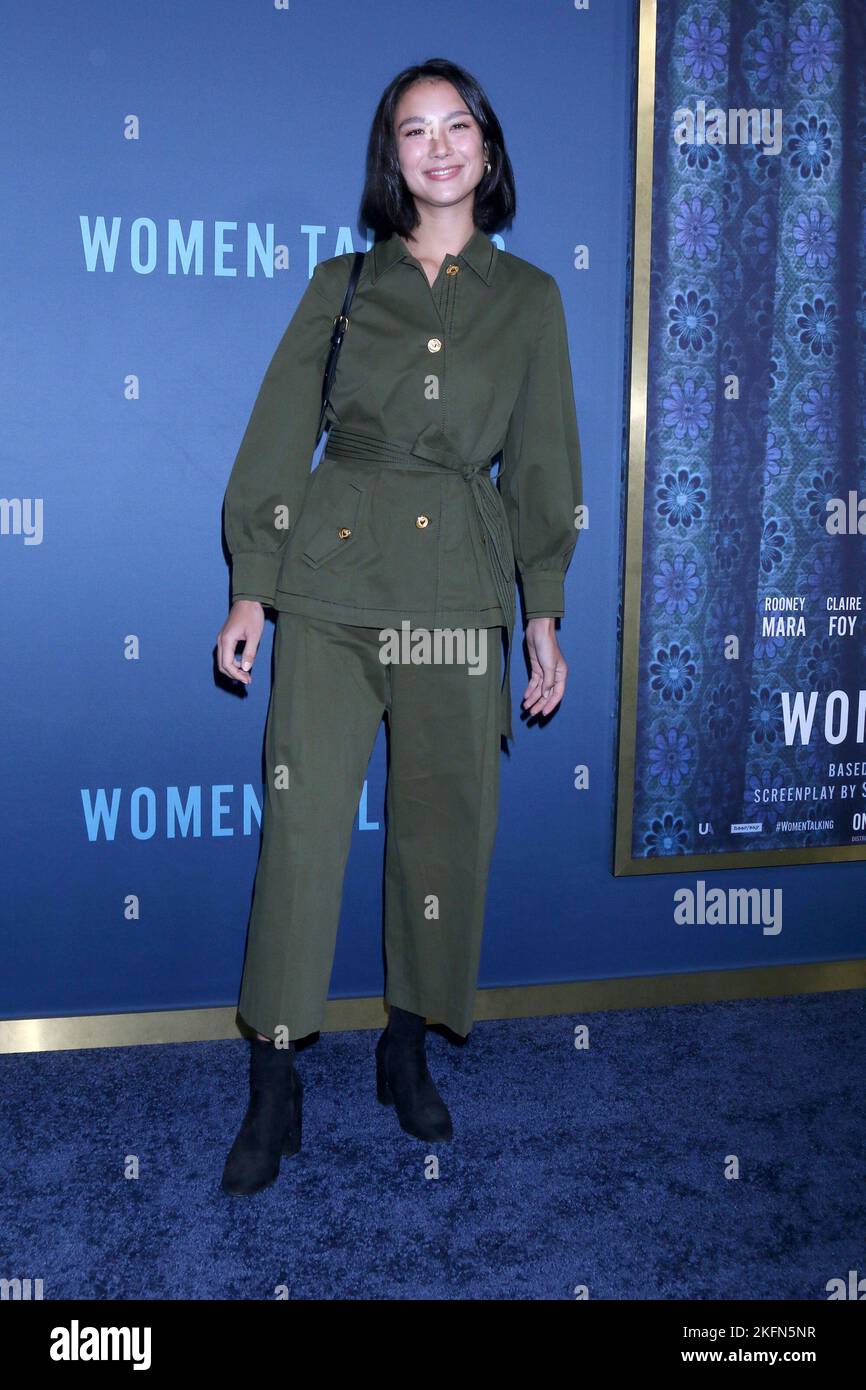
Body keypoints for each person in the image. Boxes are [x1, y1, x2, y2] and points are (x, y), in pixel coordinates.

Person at [215, 57, 583, 1195]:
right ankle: (274, 1075)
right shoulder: (338, 286)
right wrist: (250, 585)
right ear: (392, 159)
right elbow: (280, 436)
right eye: (412, 130)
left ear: (485, 146)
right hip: (327, 590)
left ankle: (405, 1043)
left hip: (457, 598)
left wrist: (543, 614)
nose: (436, 146)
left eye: (455, 125)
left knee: (442, 832)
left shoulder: (528, 301)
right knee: (302, 834)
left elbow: (542, 464)